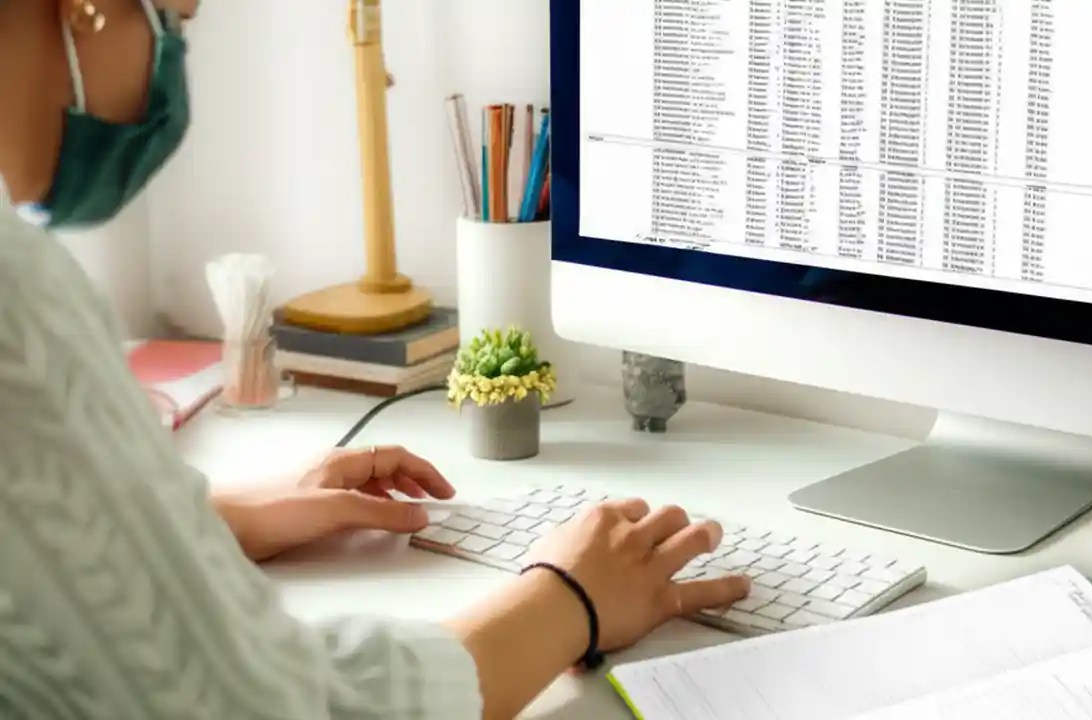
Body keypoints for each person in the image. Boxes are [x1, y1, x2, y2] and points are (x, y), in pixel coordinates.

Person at [0, 1, 751, 717]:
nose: (168, 70)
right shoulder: (18, 298)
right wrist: (570, 599)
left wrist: (205, 522)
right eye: (173, 22)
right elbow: (270, 709)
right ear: (85, 8)